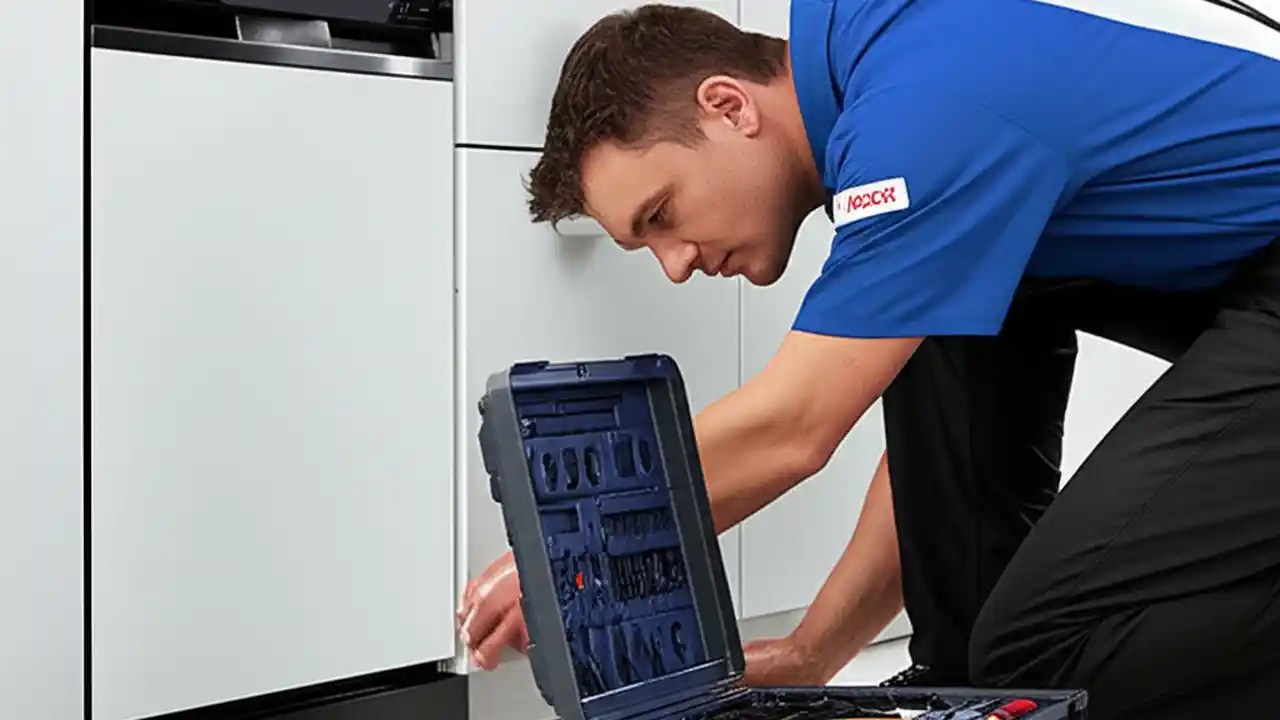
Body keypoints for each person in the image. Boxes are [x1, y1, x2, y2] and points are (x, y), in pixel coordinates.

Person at [456, 2, 1280, 718]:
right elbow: (938, 460)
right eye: (647, 247)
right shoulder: (887, 62)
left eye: (663, 213)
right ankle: (958, 683)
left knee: (1049, 652)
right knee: (944, 329)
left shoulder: (920, 103)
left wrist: (566, 560)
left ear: (727, 106)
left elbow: (792, 427)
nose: (675, 263)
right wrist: (817, 653)